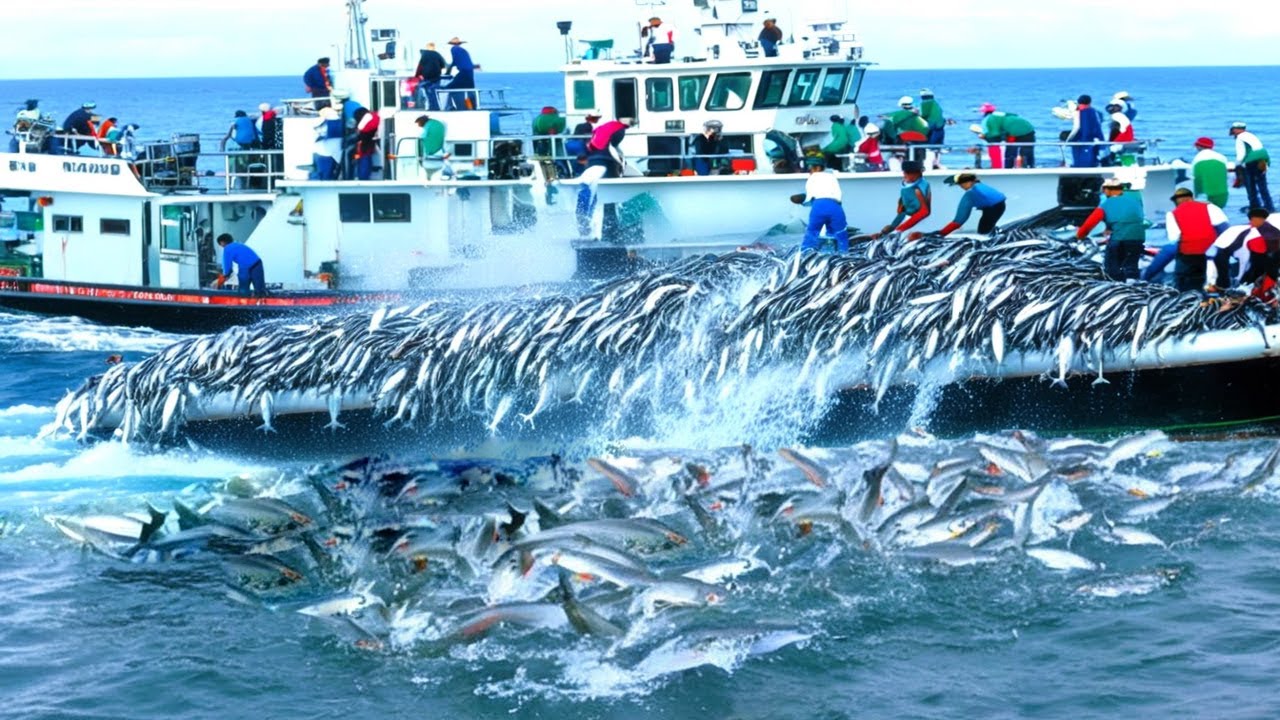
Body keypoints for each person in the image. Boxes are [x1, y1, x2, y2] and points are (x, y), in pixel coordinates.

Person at [1141, 187, 1230, 290]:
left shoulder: (1172, 214)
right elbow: (1225, 229)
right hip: (1213, 250)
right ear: (1191, 198)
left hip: (1189, 254)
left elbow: (1174, 238)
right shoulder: (1211, 207)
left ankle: (1145, 278)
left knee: (1168, 252)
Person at [1076, 177, 1145, 281]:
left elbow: (1088, 225)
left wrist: (1079, 236)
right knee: (1131, 267)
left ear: (1108, 190)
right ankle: (1133, 284)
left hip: (1119, 240)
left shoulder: (1106, 204)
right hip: (1138, 238)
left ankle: (1116, 286)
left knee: (1111, 269)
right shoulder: (1135, 200)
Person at [1206, 209, 1280, 300]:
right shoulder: (1247, 245)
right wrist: (1239, 281)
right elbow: (1243, 265)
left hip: (1236, 245)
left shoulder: (1266, 232)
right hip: (1222, 249)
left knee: (1264, 267)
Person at [792, 156, 848, 252]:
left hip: (819, 206)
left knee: (812, 233)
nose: (809, 171)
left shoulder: (812, 178)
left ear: (817, 168)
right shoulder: (832, 177)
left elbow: (809, 198)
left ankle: (805, 255)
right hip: (836, 207)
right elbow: (838, 195)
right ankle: (843, 255)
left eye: (810, 168)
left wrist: (802, 201)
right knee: (840, 234)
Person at [937, 173, 1006, 236]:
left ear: (969, 182)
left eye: (961, 184)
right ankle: (995, 233)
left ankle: (941, 234)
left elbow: (959, 220)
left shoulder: (971, 193)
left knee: (983, 231)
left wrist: (941, 233)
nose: (961, 187)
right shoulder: (979, 186)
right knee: (985, 228)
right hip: (1000, 206)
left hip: (993, 208)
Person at [878, 160, 932, 236]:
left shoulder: (918, 189)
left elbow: (924, 211)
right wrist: (892, 226)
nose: (904, 175)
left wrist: (900, 229)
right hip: (906, 219)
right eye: (904, 172)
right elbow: (904, 209)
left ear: (917, 174)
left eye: (907, 173)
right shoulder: (907, 186)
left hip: (915, 223)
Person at [1230, 121, 1273, 213]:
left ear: (1235, 130)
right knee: (1263, 186)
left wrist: (1237, 166)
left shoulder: (1239, 138)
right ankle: (1269, 207)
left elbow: (1241, 155)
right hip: (1263, 159)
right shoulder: (1251, 135)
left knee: (1250, 186)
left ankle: (1254, 207)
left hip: (1252, 161)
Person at [979, 103, 1036, 169]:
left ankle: (1009, 168)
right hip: (1029, 129)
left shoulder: (989, 119)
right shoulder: (1001, 114)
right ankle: (1030, 167)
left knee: (1010, 153)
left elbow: (994, 136)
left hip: (1013, 133)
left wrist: (986, 137)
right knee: (1027, 152)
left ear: (983, 112)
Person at [884, 96, 929, 164]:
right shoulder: (920, 114)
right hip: (921, 140)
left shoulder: (899, 115)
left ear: (902, 106)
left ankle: (900, 160)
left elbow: (891, 123)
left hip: (906, 139)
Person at [1065, 94, 1105, 168]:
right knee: (1093, 160)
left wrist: (1068, 140)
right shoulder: (1095, 112)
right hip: (1095, 139)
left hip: (1084, 141)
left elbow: (1077, 128)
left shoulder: (1081, 112)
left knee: (1082, 162)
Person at [1190, 137, 1229, 209]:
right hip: (1221, 194)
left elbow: (1193, 176)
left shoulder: (1197, 158)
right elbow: (1226, 174)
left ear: (1199, 146)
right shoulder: (1221, 157)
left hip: (1204, 193)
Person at [414, 114, 453, 179]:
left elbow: (421, 138)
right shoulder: (435, 124)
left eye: (418, 122)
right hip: (436, 157)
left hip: (433, 158)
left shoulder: (429, 126)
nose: (418, 125)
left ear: (422, 120)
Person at [443, 38, 477, 111]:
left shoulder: (454, 49)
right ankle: (471, 108)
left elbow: (454, 61)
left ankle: (449, 106)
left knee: (447, 88)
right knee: (468, 91)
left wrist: (448, 71)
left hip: (463, 72)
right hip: (470, 73)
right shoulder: (464, 51)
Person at [310, 106, 343, 180]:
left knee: (324, 175)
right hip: (335, 151)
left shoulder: (323, 123)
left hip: (323, 152)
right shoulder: (340, 123)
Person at [565, 110, 601, 176]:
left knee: (574, 160)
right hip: (579, 145)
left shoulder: (579, 125)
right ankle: (584, 173)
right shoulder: (589, 126)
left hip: (570, 144)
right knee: (584, 159)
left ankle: (575, 173)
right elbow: (588, 139)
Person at [414, 42, 448, 111]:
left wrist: (417, 75)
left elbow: (420, 66)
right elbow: (443, 65)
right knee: (435, 92)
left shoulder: (424, 55)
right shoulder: (437, 54)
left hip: (427, 77)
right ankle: (436, 107)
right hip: (436, 76)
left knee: (427, 92)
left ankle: (430, 107)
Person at [351, 107, 381, 180]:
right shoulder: (374, 118)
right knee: (366, 161)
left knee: (363, 163)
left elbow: (361, 135)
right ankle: (364, 177)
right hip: (368, 146)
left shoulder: (364, 124)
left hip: (363, 148)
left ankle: (362, 179)